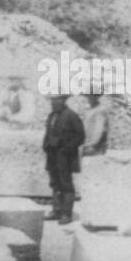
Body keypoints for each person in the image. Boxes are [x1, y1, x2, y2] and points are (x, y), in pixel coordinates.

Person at [42, 93, 85, 225]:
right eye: (52, 100)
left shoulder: (71, 116)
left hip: (64, 157)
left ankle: (66, 214)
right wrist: (45, 144)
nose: (54, 102)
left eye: (57, 100)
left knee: (66, 185)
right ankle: (56, 210)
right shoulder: (52, 115)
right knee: (55, 184)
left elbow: (80, 136)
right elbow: (48, 133)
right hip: (52, 155)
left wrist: (66, 148)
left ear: (63, 101)